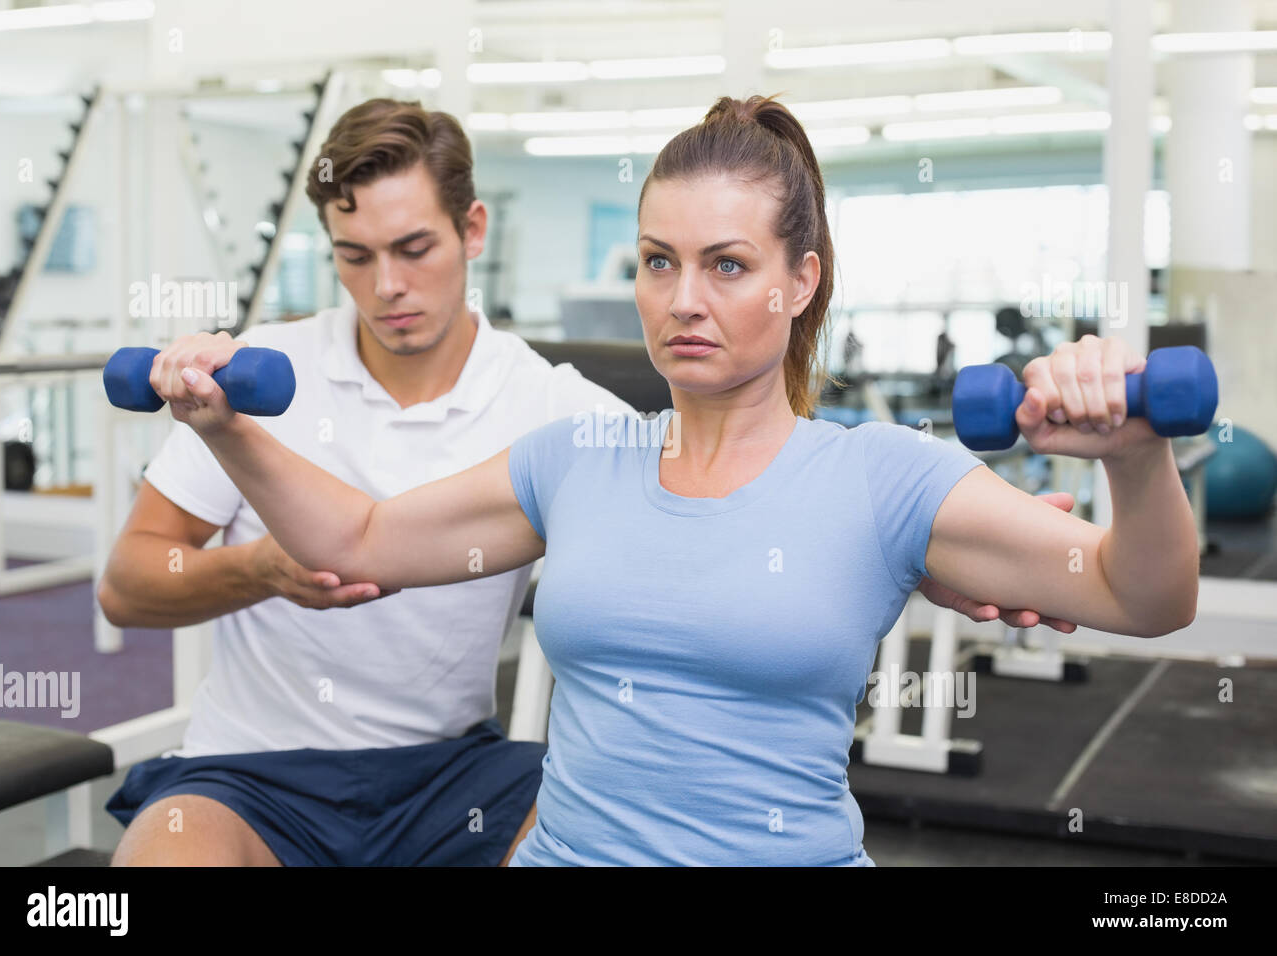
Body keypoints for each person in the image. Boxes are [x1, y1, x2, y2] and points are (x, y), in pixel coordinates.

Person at [140, 95, 1176, 867]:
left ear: (800, 277)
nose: (683, 299)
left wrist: (1134, 455)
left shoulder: (884, 476)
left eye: (725, 264)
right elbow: (356, 538)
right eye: (655, 260)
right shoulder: (579, 454)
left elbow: (1141, 593)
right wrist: (224, 426)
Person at [97, 99, 638, 866]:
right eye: (355, 256)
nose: (387, 285)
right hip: (251, 777)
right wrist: (257, 570)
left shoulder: (549, 402)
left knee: (605, 818)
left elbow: (688, 479)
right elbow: (127, 586)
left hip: (451, 777)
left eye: (414, 247)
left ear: (472, 229)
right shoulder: (253, 374)